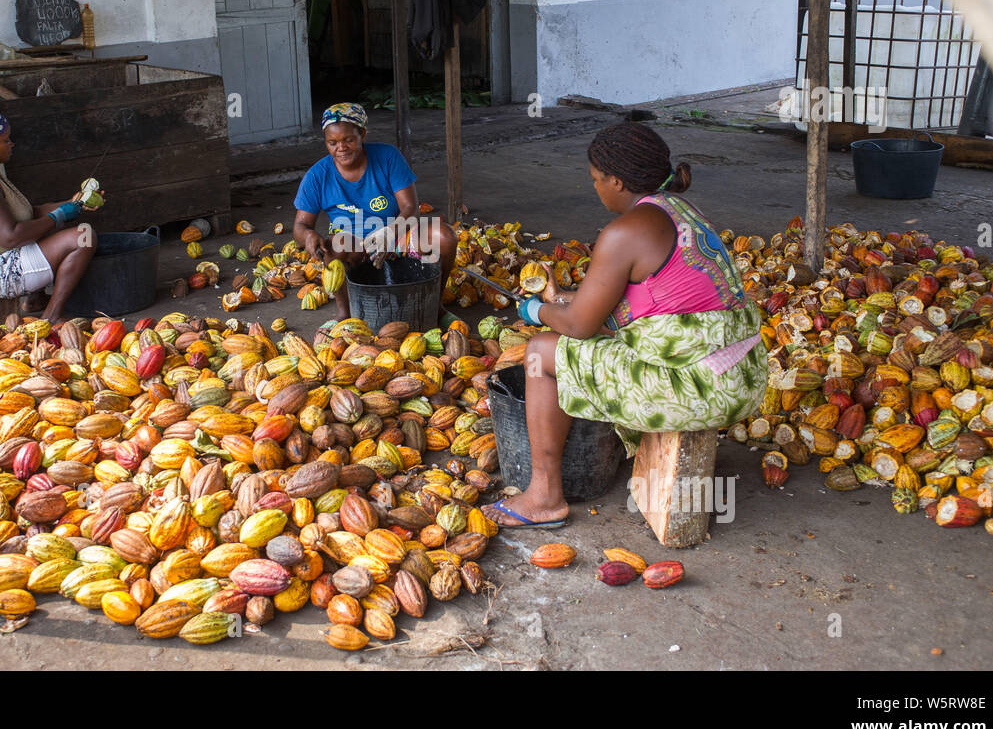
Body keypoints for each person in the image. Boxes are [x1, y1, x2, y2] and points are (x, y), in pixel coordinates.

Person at [482, 122, 767, 528]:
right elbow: (628, 307)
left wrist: (536, 313)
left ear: (615, 181)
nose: (596, 189)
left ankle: (543, 495)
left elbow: (580, 326)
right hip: (744, 374)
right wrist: (558, 298)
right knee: (559, 343)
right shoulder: (678, 210)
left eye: (597, 180)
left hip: (701, 388)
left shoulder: (624, 232)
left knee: (538, 353)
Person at [292, 103, 458, 324]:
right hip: (355, 247)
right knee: (334, 246)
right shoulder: (317, 176)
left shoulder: (387, 157)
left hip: (397, 236)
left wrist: (389, 233)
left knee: (444, 237)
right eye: (332, 143)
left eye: (348, 140)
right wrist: (308, 236)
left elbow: (410, 209)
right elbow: (300, 227)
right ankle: (344, 313)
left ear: (362, 134)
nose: (341, 148)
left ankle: (435, 307)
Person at [0, 109, 99, 323]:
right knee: (84, 237)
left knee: (42, 228)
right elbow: (10, 236)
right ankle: (52, 316)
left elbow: (28, 213)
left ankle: (35, 300)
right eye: (5, 140)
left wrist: (73, 204)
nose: (11, 144)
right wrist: (57, 217)